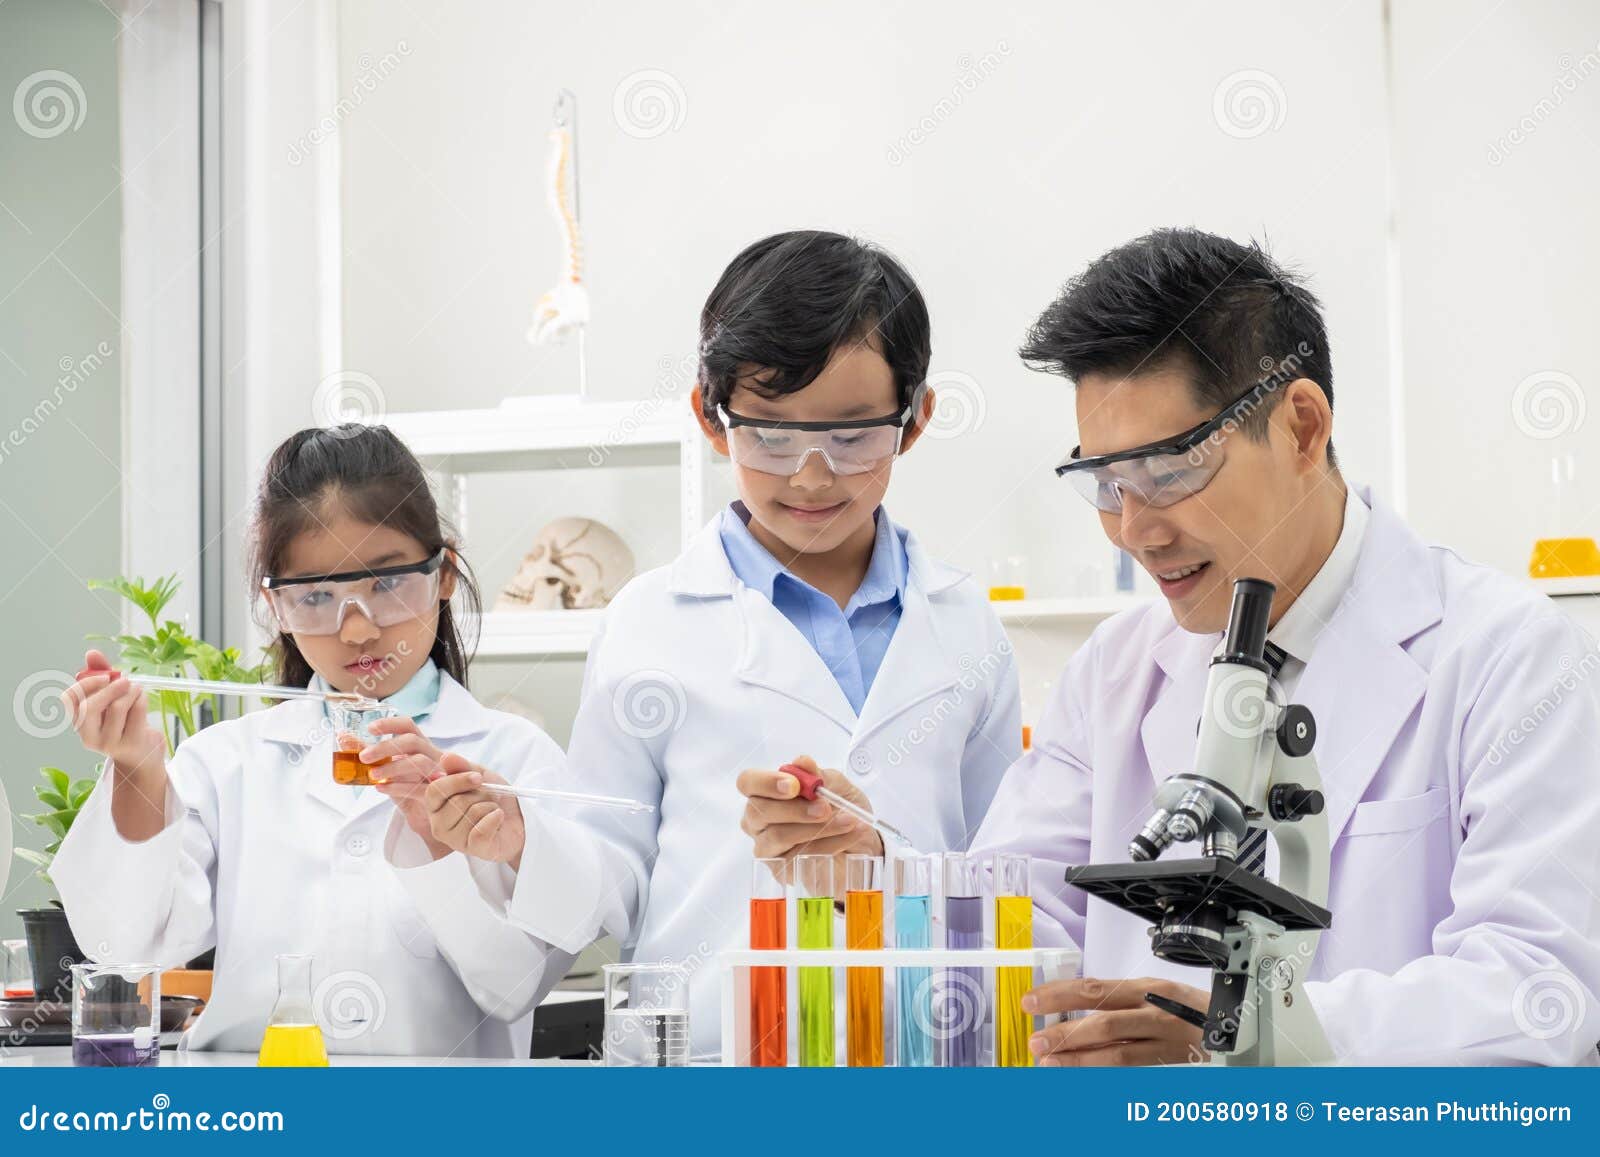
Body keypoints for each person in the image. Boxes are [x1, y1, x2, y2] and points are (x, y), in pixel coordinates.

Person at [967, 228, 1600, 1065]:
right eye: (1105, 485)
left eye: (1168, 470)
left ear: (1301, 427)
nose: (1136, 530)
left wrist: (1250, 1034)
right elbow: (1008, 927)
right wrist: (875, 878)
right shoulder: (1112, 673)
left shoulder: (1512, 658)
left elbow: (1537, 990)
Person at [421, 230, 1021, 1059]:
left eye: (852, 436)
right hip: (708, 1069)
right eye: (770, 434)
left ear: (914, 420)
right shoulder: (646, 622)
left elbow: (1008, 871)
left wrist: (879, 856)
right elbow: (611, 871)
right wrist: (523, 839)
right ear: (709, 414)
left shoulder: (966, 626)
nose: (811, 475)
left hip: (925, 1063)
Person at [52, 425, 564, 1056]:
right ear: (275, 605)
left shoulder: (516, 759)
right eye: (316, 596)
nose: (356, 631)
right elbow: (125, 949)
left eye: (386, 583)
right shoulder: (224, 762)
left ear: (445, 575)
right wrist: (135, 768)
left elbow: (516, 987)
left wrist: (438, 849)